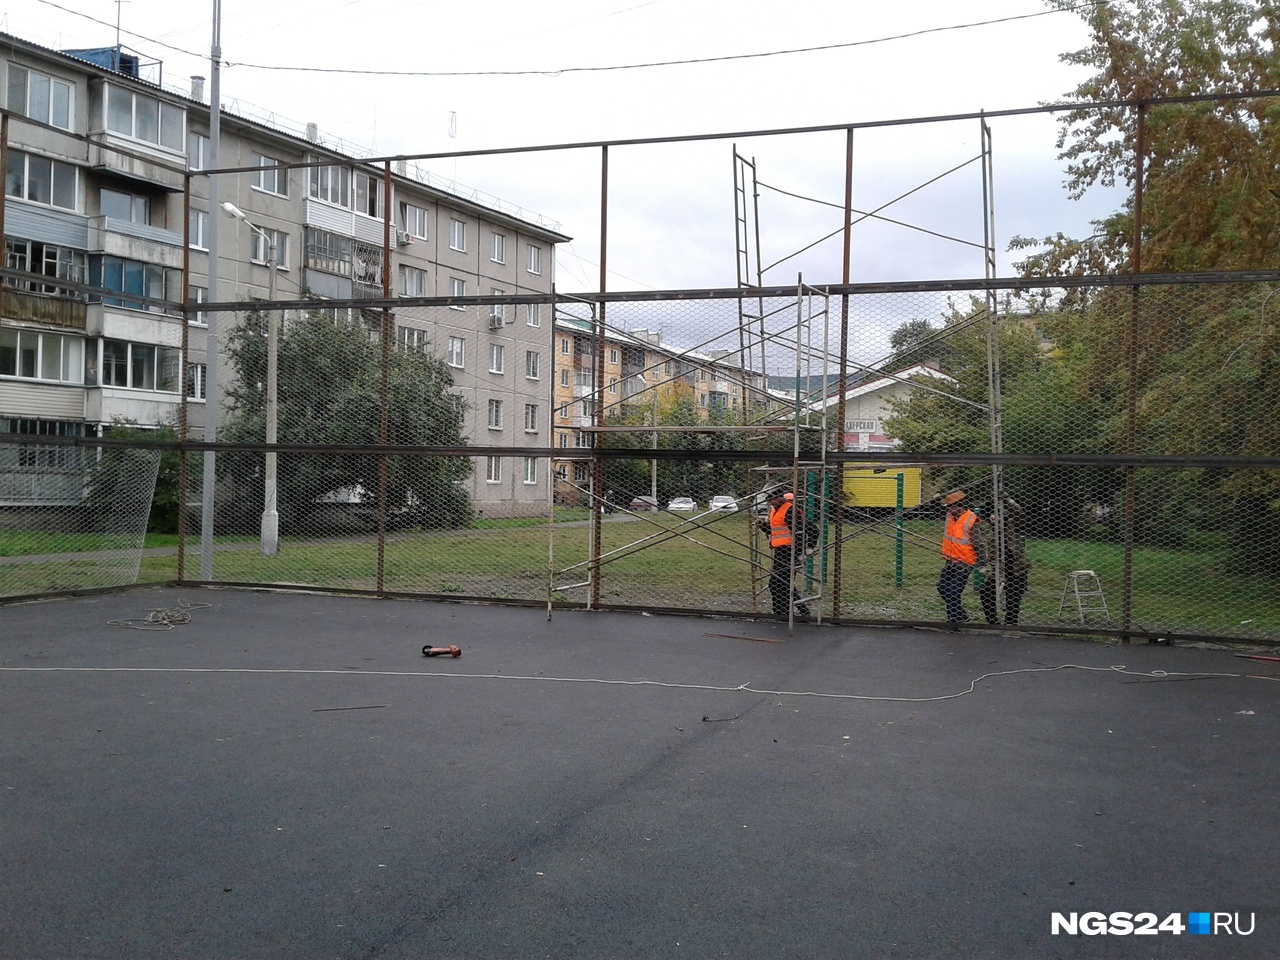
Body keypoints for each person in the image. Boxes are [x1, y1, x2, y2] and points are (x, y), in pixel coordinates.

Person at [758, 489, 816, 618]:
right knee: (779, 583)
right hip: (780, 551)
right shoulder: (775, 510)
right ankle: (782, 611)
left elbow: (800, 533)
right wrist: (764, 527)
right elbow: (776, 531)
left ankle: (784, 612)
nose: (770, 502)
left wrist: (800, 554)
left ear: (780, 498)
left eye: (772, 499)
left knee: (779, 583)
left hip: (789, 551)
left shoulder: (790, 510)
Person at [979, 494, 1031, 626]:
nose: (994, 519)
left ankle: (1010, 625)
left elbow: (1019, 514)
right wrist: (995, 573)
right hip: (999, 570)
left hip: (1017, 570)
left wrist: (1008, 501)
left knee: (1012, 600)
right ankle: (993, 623)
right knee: (986, 593)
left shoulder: (1013, 527)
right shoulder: (991, 535)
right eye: (992, 517)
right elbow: (990, 556)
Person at [936, 489, 986, 626]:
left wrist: (982, 563)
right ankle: (961, 615)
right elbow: (937, 511)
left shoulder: (971, 520)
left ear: (958, 506)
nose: (948, 511)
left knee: (953, 592)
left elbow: (979, 544)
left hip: (964, 563)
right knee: (942, 587)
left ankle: (954, 622)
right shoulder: (950, 516)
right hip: (950, 561)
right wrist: (936, 499)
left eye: (950, 507)